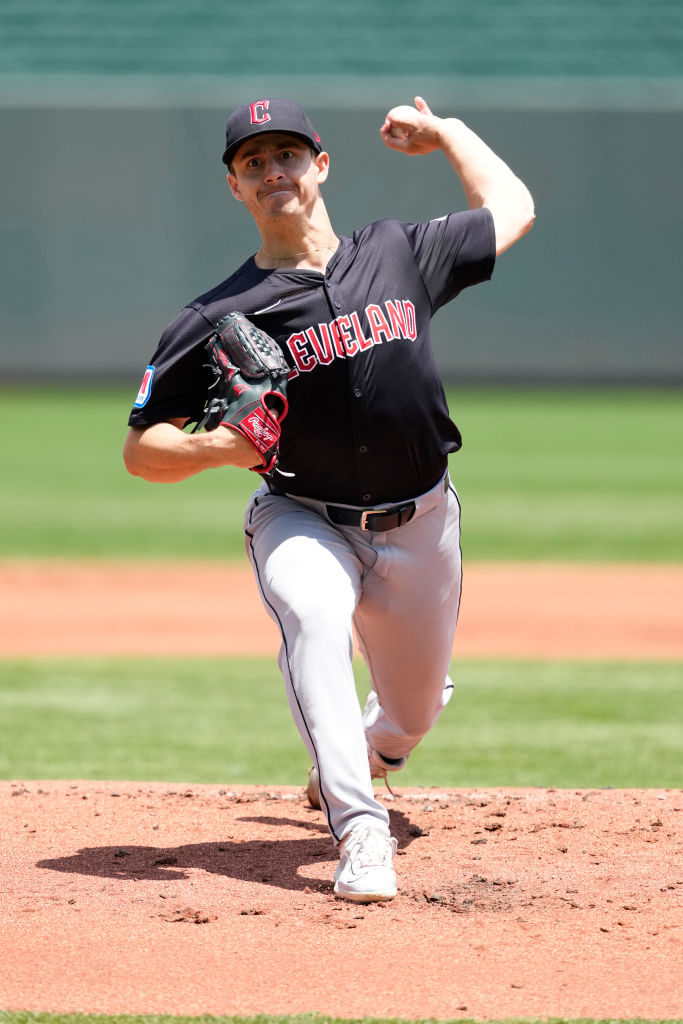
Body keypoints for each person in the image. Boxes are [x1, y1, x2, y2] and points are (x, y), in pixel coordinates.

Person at [123, 95, 534, 903]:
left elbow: (511, 207)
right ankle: (361, 829)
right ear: (234, 187)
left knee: (412, 712)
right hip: (300, 514)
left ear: (320, 165)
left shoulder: (397, 252)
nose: (273, 171)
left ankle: (380, 743)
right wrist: (214, 447)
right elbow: (141, 449)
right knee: (310, 619)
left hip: (420, 521)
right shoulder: (217, 315)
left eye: (287, 155)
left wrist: (446, 133)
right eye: (253, 162)